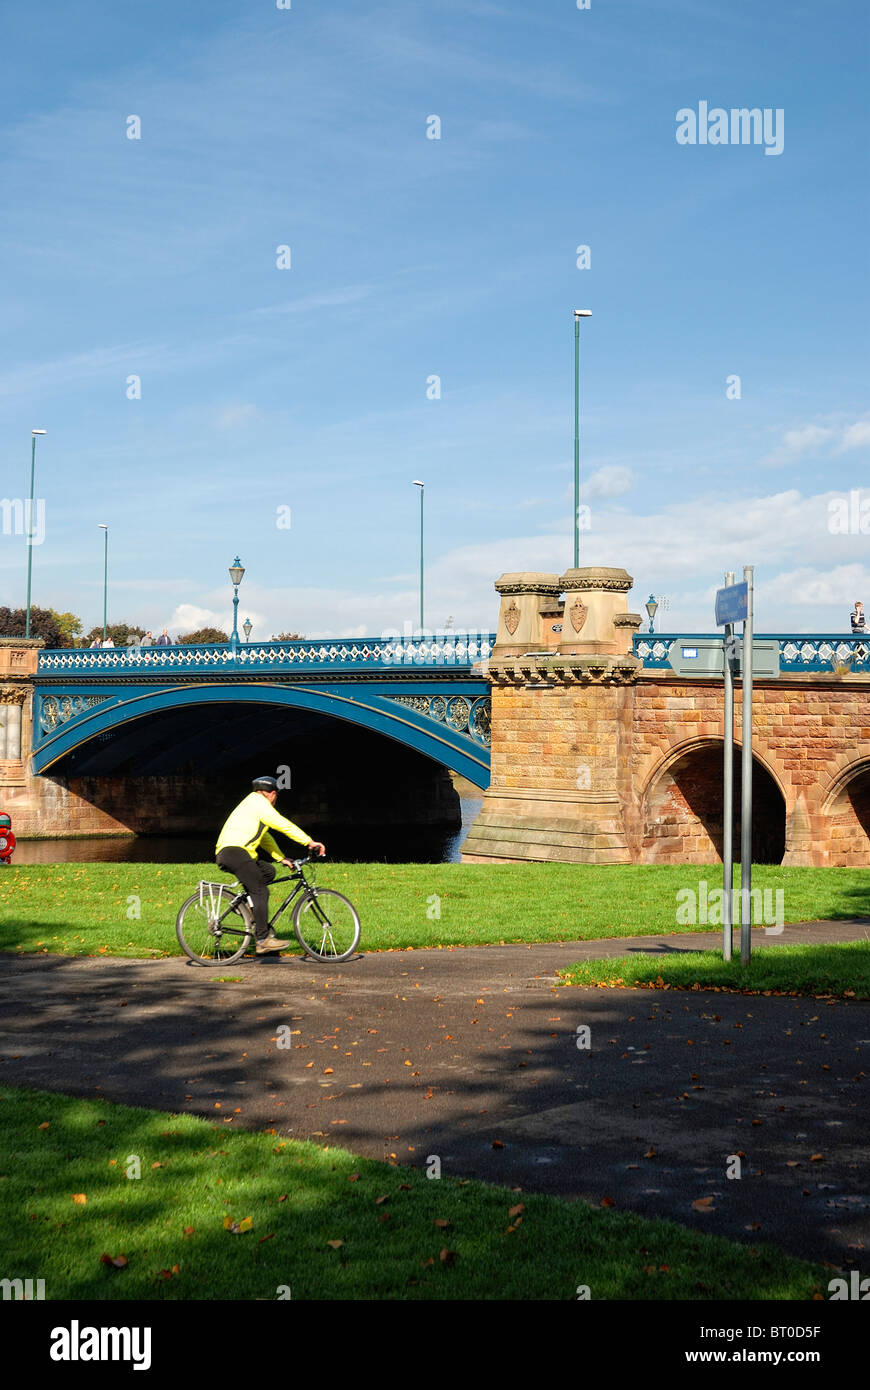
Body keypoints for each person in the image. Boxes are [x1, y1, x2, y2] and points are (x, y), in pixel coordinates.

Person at [215, 776, 326, 955]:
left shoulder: (251, 804)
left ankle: (246, 908)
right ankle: (262, 940)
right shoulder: (261, 805)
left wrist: (281, 858)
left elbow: (265, 837)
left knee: (268, 871)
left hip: (232, 852)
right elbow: (283, 825)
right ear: (272, 794)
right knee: (261, 890)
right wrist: (308, 842)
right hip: (235, 852)